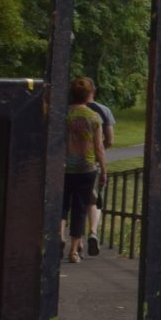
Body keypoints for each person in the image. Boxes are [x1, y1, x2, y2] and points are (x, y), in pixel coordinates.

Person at [64, 75, 104, 265]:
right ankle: (73, 251)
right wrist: (104, 169)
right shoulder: (93, 117)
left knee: (61, 206)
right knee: (80, 209)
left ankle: (59, 237)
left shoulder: (62, 114)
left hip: (63, 167)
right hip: (86, 168)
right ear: (90, 93)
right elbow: (99, 147)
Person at [82, 85, 116, 255]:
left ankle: (75, 242)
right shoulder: (103, 111)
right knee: (93, 200)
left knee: (72, 201)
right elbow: (109, 140)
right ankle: (93, 232)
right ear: (93, 91)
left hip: (69, 164)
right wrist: (98, 156)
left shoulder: (68, 110)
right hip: (92, 163)